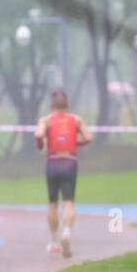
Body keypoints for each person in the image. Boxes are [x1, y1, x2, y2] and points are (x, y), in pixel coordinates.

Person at [33, 89, 92, 257]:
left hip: (52, 162)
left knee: (52, 202)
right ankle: (66, 232)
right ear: (67, 104)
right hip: (70, 162)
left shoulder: (47, 120)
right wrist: (76, 144)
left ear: (52, 105)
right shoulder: (76, 120)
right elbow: (89, 138)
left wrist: (40, 140)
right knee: (68, 201)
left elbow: (38, 134)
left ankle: (54, 240)